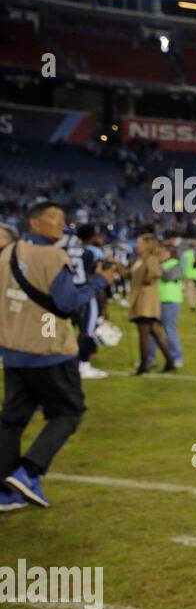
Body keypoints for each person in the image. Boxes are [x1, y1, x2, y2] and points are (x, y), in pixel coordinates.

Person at [0, 201, 114, 509]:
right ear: (33, 222)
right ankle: (29, 472)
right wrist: (101, 282)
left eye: (63, 220)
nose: (59, 225)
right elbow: (67, 303)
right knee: (69, 412)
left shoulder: (8, 253)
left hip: (12, 351)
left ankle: (5, 491)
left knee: (12, 420)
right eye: (53, 218)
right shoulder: (53, 255)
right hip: (48, 351)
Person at [64, 224, 109, 379]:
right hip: (84, 292)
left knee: (54, 328)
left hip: (65, 291)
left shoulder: (62, 249)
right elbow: (95, 273)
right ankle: (83, 365)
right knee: (87, 330)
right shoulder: (89, 252)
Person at [127, 234, 177, 375]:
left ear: (146, 245)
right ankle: (170, 362)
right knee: (155, 333)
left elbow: (155, 273)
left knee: (143, 333)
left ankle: (143, 365)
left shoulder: (151, 258)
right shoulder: (141, 259)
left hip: (146, 301)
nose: (138, 245)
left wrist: (146, 280)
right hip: (142, 299)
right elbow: (130, 275)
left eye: (140, 243)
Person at [147, 238, 184, 369]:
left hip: (171, 301)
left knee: (169, 331)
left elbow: (168, 277)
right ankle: (150, 359)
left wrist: (157, 265)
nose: (160, 255)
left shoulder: (175, 263)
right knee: (152, 332)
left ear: (169, 254)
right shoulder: (161, 264)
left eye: (162, 253)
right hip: (158, 301)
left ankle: (177, 358)